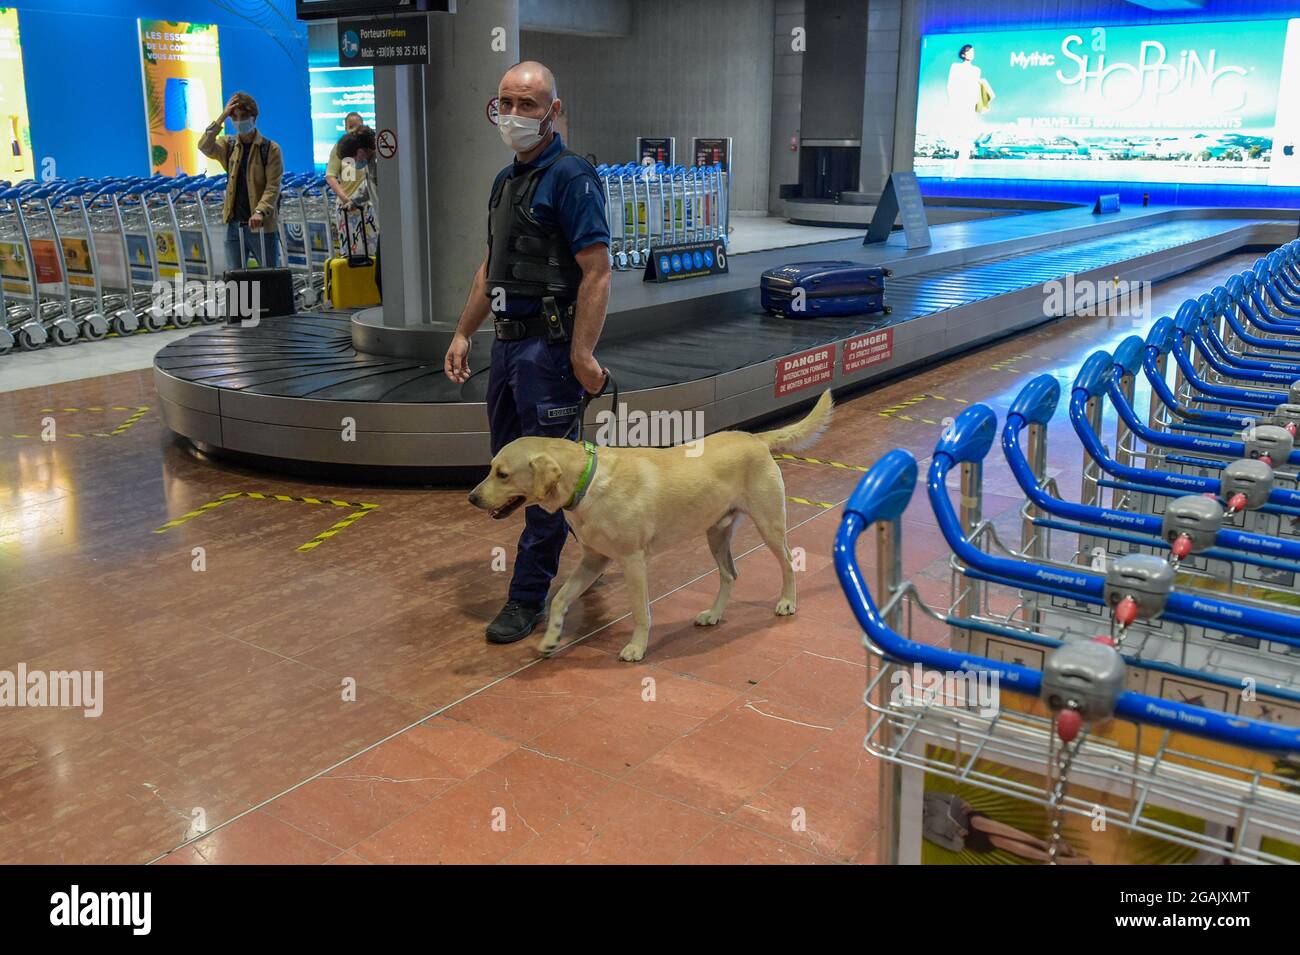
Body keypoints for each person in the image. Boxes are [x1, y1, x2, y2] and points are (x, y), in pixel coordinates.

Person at [444, 60, 612, 644]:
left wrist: (583, 354)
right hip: (508, 349)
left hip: (550, 353)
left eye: (527, 104)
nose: (514, 115)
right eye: (505, 104)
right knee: (509, 473)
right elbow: (492, 267)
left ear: (553, 111)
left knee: (543, 483)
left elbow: (597, 271)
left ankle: (527, 598)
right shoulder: (504, 180)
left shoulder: (572, 178)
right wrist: (465, 331)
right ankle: (595, 547)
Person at [199, 92, 284, 269]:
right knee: (237, 283)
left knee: (270, 277)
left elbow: (273, 186)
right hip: (234, 225)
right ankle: (242, 299)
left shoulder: (270, 149)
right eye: (234, 117)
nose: (239, 121)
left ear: (254, 117)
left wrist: (260, 211)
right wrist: (222, 116)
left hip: (261, 226)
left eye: (243, 116)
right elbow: (204, 146)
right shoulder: (228, 145)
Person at [333, 125, 380, 277]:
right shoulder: (370, 164)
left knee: (381, 277)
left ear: (360, 152)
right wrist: (353, 201)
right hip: (385, 230)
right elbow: (367, 188)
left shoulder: (380, 164)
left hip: (393, 230)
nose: (352, 164)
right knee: (380, 277)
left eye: (352, 159)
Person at [946, 44, 993, 166]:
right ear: (963, 54)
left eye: (973, 52)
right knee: (957, 129)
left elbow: (974, 88)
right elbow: (950, 85)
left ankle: (962, 161)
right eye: (969, 52)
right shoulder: (956, 67)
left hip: (969, 102)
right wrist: (952, 101)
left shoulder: (976, 70)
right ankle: (958, 160)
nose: (972, 54)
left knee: (966, 131)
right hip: (958, 101)